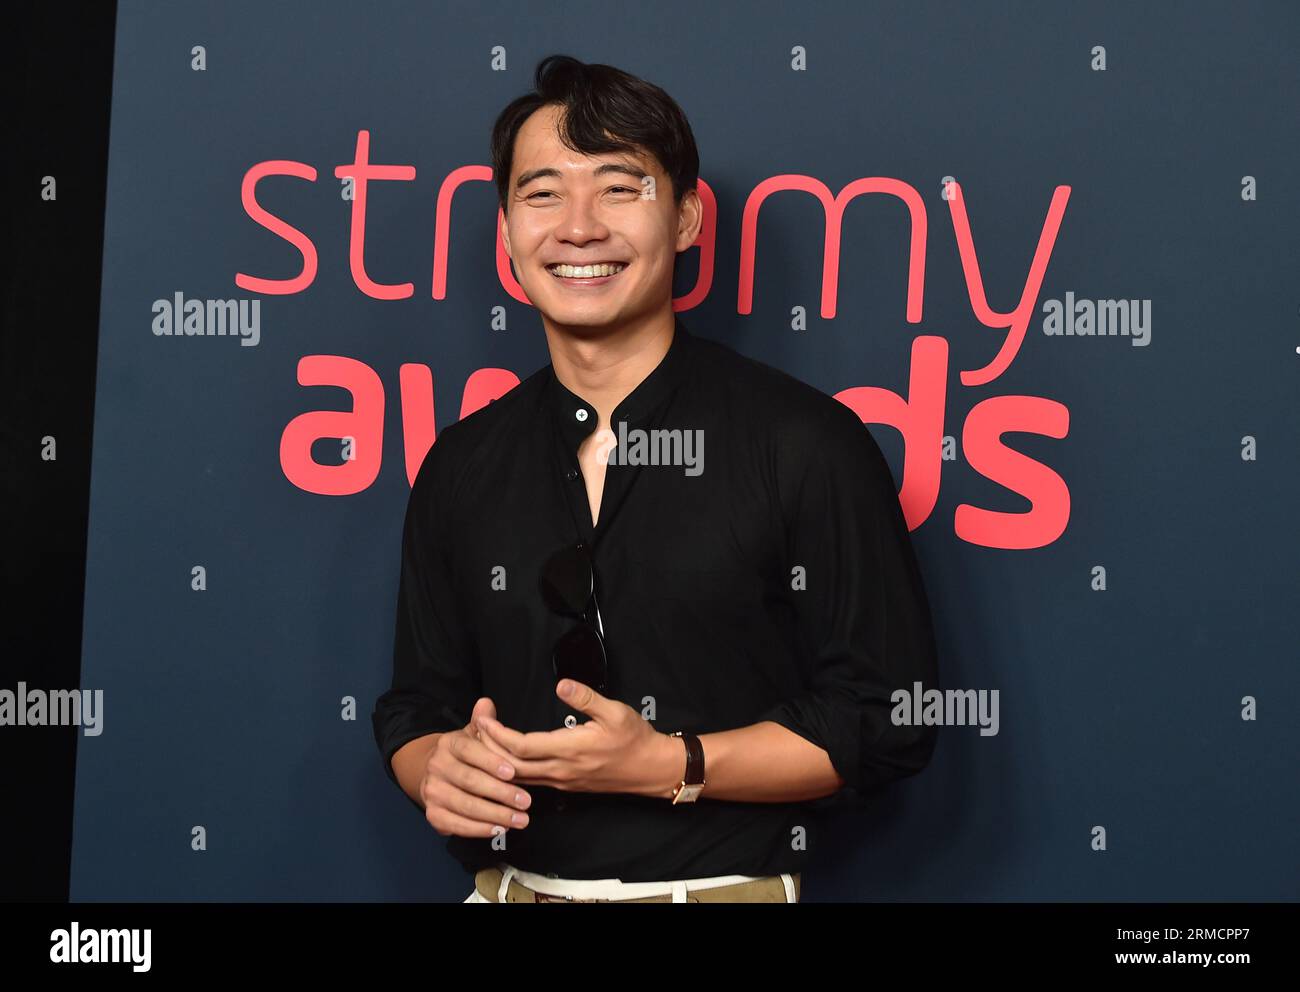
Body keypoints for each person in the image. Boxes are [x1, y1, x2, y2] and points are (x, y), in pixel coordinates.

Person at [371, 54, 939, 904]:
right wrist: (435, 772)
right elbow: (416, 708)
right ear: (506, 232)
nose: (578, 227)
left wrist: (668, 764)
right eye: (542, 192)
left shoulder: (804, 443)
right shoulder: (463, 461)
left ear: (685, 218)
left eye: (618, 186)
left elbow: (889, 718)